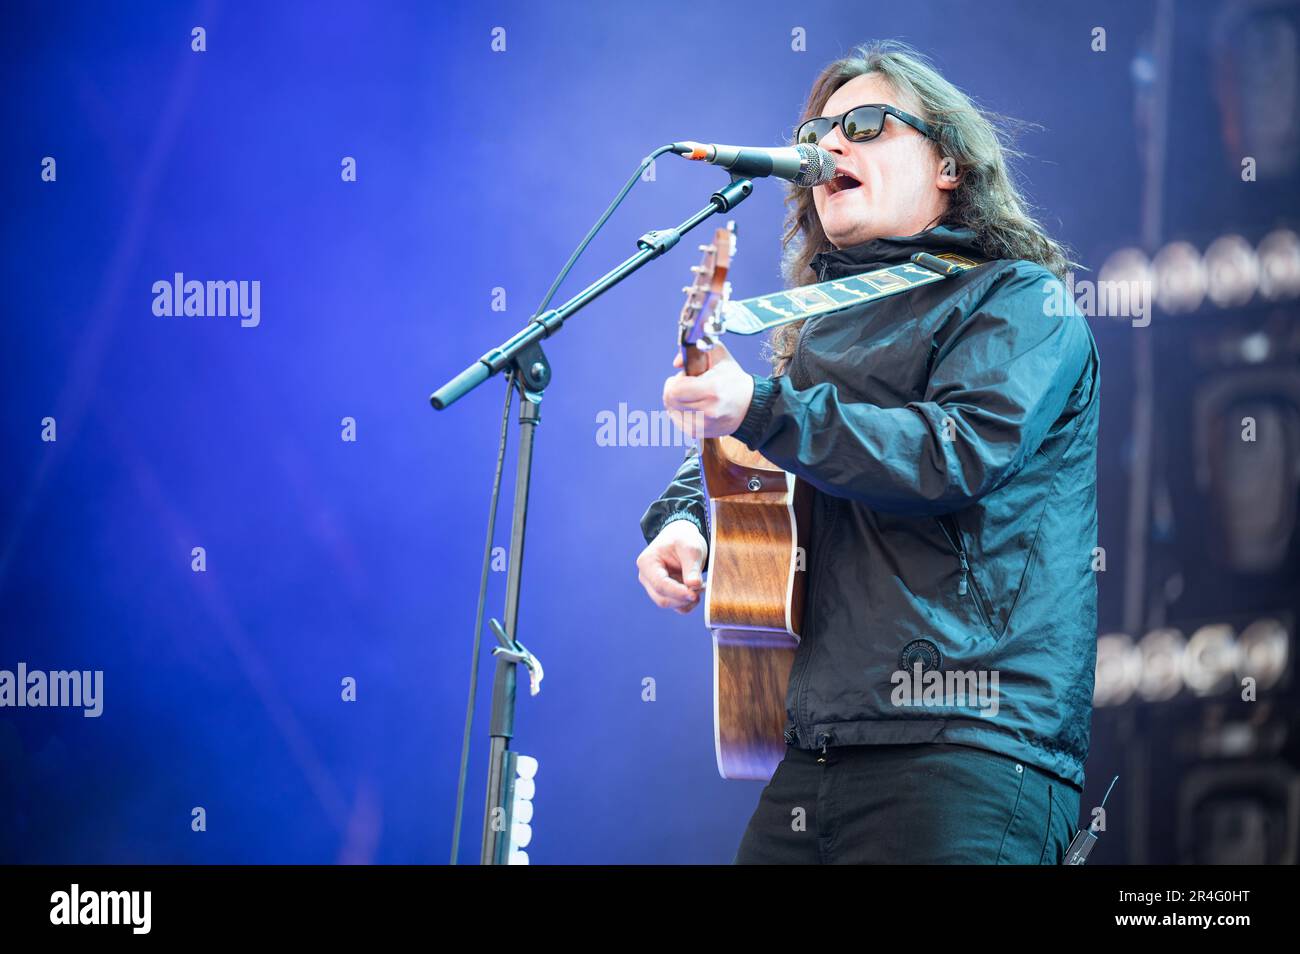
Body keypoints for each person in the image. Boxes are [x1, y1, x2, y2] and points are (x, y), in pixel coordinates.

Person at [636, 40, 1100, 864]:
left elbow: (947, 455)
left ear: (950, 162)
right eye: (818, 129)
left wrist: (758, 404)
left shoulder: (1021, 301)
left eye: (866, 123)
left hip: (967, 745)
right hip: (815, 745)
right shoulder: (815, 330)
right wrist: (683, 521)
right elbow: (762, 456)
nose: (830, 144)